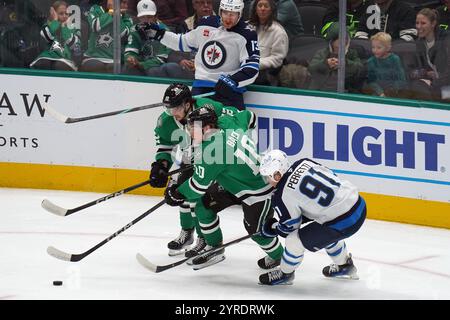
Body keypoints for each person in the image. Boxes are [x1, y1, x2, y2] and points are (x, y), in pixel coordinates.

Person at [163, 105, 284, 271]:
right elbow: (250, 116)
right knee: (203, 206)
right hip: (235, 183)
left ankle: (280, 258)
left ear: (207, 127)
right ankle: (214, 248)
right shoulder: (227, 123)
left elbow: (197, 187)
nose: (190, 131)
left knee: (257, 231)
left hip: (259, 191)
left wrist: (177, 193)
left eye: (194, 127)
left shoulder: (211, 152)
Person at [149, 83, 258, 257]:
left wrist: (227, 146)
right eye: (169, 109)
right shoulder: (166, 120)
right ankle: (187, 234)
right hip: (189, 157)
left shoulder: (207, 108)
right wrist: (160, 166)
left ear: (187, 104)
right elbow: (165, 146)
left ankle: (203, 239)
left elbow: (235, 119)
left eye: (176, 108)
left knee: (197, 198)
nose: (173, 113)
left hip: (212, 159)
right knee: (181, 194)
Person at [257, 149, 367, 285]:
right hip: (358, 203)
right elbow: (331, 175)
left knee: (294, 241)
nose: (267, 180)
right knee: (324, 227)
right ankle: (345, 267)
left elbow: (288, 229)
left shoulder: (281, 195)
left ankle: (285, 274)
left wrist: (272, 228)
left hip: (343, 222)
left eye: (268, 176)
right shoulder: (304, 162)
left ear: (278, 174)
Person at [135, 0, 260, 110]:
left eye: (233, 14)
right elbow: (182, 42)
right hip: (201, 87)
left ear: (240, 14)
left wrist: (232, 81)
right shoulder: (207, 23)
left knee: (231, 131)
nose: (228, 18)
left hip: (228, 91)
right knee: (198, 131)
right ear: (220, 11)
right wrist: (159, 34)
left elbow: (252, 68)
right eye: (225, 12)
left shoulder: (247, 34)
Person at [164, 0, 216, 80]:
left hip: (212, 70)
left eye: (209, 2)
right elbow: (173, 50)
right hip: (189, 68)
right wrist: (181, 60)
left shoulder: (222, 25)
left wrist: (200, 64)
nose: (206, 5)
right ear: (194, 5)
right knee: (169, 68)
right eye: (202, 2)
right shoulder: (185, 25)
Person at [308, 22, 364, 92]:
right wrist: (326, 64)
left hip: (344, 93)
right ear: (332, 41)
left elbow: (360, 69)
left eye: (346, 39)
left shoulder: (352, 54)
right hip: (320, 92)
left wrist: (345, 63)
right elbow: (311, 68)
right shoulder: (322, 53)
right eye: (340, 39)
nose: (344, 42)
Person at [79, 0, 133, 73]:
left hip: (114, 59)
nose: (126, 6)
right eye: (123, 2)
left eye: (127, 3)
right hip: (93, 57)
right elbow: (95, 26)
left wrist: (117, 15)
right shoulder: (95, 9)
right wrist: (111, 13)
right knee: (96, 66)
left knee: (115, 69)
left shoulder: (127, 17)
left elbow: (123, 35)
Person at [408, 8, 450, 101]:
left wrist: (434, 82)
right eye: (417, 23)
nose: (418, 26)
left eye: (423, 23)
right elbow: (411, 71)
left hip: (445, 85)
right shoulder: (419, 43)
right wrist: (425, 73)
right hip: (432, 84)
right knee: (416, 86)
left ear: (433, 24)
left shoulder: (446, 40)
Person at [123, 0, 172, 76]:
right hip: (139, 64)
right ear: (138, 18)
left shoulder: (165, 32)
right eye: (142, 17)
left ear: (156, 17)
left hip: (157, 67)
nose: (146, 20)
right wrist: (130, 58)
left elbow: (162, 58)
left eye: (149, 17)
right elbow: (130, 50)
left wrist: (141, 64)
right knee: (127, 68)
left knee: (153, 71)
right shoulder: (135, 30)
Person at [30, 1, 80, 71]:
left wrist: (63, 27)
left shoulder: (72, 28)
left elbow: (73, 44)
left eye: (66, 14)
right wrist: (55, 21)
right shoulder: (49, 25)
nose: (64, 16)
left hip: (65, 59)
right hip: (47, 57)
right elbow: (48, 37)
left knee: (59, 65)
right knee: (43, 63)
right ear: (54, 14)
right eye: (61, 14)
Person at [248, 0, 289, 86]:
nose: (262, 9)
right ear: (255, 9)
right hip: (245, 70)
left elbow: (277, 59)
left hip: (265, 76)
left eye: (266, 6)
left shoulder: (279, 32)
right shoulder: (247, 27)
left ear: (271, 10)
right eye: (260, 6)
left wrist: (255, 63)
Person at [363, 31, 406, 97]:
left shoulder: (395, 59)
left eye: (379, 47)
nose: (375, 50)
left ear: (388, 48)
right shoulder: (370, 61)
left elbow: (401, 78)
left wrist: (392, 91)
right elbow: (371, 81)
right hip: (377, 93)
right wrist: (380, 92)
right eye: (373, 47)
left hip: (394, 93)